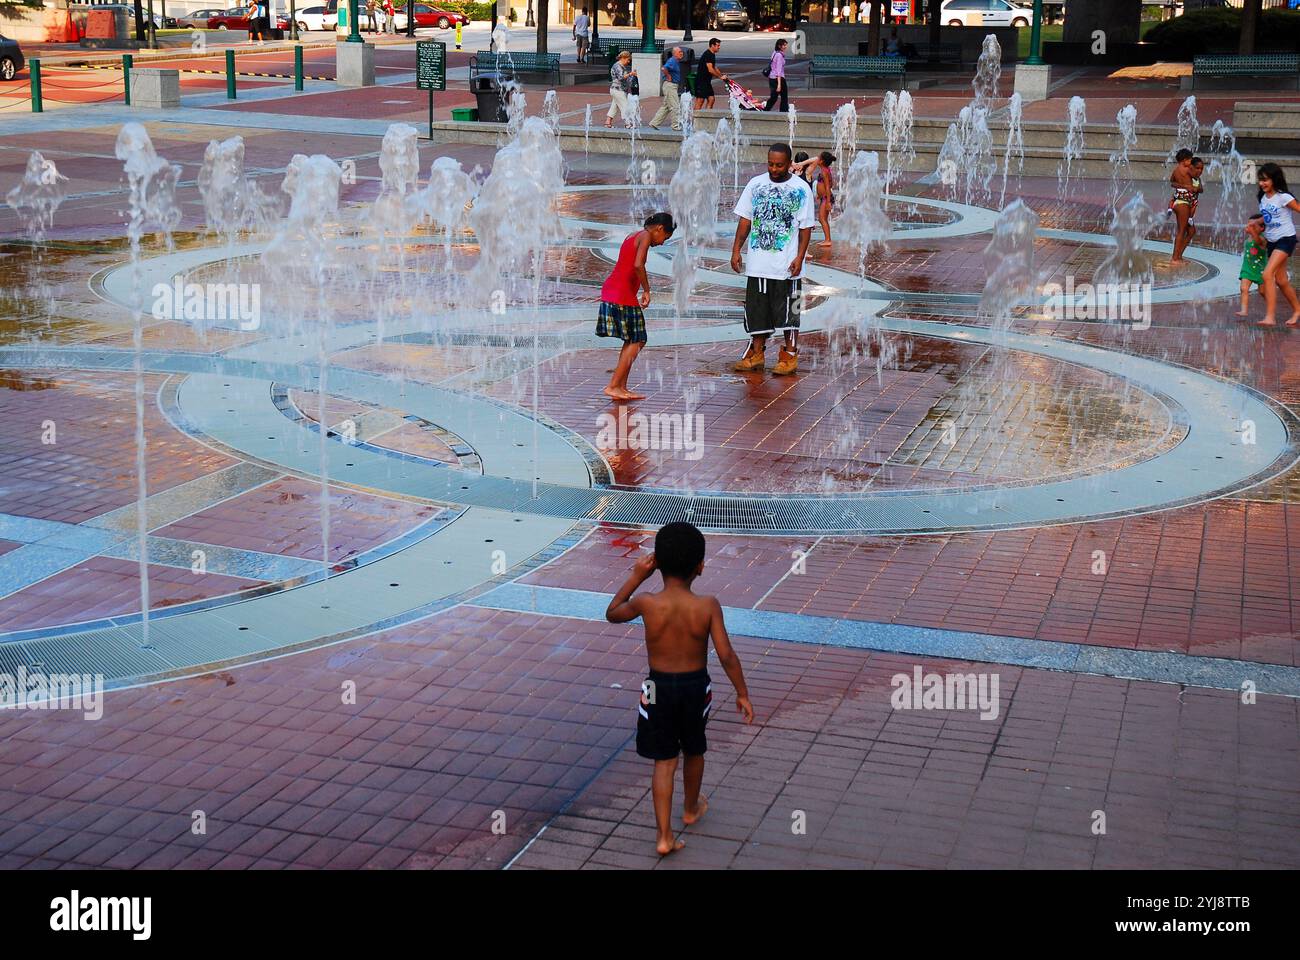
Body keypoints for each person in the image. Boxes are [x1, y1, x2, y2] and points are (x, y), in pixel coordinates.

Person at [606, 521, 754, 857]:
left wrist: (636, 576)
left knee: (664, 761)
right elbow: (727, 654)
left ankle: (663, 836)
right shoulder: (707, 606)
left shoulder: (646, 602)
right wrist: (742, 692)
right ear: (700, 566)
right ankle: (690, 807)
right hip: (693, 688)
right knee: (694, 749)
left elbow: (612, 613)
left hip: (657, 687)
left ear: (656, 562)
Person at [731, 143, 816, 377]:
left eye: (779, 165)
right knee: (756, 311)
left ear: (789, 164)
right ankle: (756, 354)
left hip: (787, 266)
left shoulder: (801, 189)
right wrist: (736, 250)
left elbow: (807, 227)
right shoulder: (755, 185)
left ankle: (789, 355)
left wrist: (800, 257)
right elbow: (745, 220)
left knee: (790, 312)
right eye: (770, 164)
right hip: (758, 264)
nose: (774, 168)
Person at [597, 212, 675, 400]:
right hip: (621, 293)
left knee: (632, 339)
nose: (663, 242)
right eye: (665, 237)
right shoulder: (646, 236)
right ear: (659, 229)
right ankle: (614, 385)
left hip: (616, 290)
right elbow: (638, 264)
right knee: (638, 339)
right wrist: (647, 290)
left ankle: (621, 387)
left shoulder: (634, 235)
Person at [1255, 162, 1300, 327]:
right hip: (1272, 241)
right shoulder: (1262, 197)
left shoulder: (1284, 197)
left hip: (1286, 239)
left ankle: (1270, 317)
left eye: (1265, 180)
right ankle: (1297, 310)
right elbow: (1267, 217)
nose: (1262, 183)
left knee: (1268, 275)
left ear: (1274, 179)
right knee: (1281, 280)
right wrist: (1256, 223)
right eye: (1260, 180)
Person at [793, 151, 835, 246]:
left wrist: (828, 201)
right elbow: (829, 184)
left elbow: (828, 186)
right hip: (819, 199)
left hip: (824, 198)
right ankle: (826, 239)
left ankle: (827, 240)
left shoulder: (793, 172)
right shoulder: (811, 171)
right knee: (820, 219)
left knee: (821, 219)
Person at [1168, 148, 1196, 265]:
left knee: (1191, 231)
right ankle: (1175, 258)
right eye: (1190, 159)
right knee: (1182, 231)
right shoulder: (1189, 170)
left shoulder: (1175, 171)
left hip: (1178, 201)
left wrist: (1182, 185)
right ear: (1184, 160)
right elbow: (1197, 181)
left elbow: (1172, 182)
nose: (1191, 161)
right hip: (1183, 203)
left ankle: (1179, 255)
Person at [1236, 215, 1267, 318]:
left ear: (1262, 228)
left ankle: (1271, 305)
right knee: (1243, 288)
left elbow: (1257, 241)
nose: (1250, 228)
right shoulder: (1248, 239)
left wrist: (1252, 231)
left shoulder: (1262, 239)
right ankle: (1244, 310)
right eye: (1249, 225)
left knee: (1262, 292)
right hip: (1247, 269)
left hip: (1261, 271)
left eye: (1253, 226)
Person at [649, 47, 685, 131]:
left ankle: (654, 123)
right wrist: (668, 76)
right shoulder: (672, 61)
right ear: (674, 53)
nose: (682, 53)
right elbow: (663, 68)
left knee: (666, 107)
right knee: (675, 106)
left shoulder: (675, 61)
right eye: (680, 52)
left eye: (682, 52)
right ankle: (675, 126)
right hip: (670, 86)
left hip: (671, 86)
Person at [693, 37, 727, 111]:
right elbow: (710, 69)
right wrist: (720, 77)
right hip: (701, 81)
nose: (719, 47)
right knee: (700, 100)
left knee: (711, 99)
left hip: (706, 82)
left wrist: (722, 75)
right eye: (717, 45)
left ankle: (706, 116)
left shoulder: (712, 54)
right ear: (712, 45)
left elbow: (714, 67)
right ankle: (696, 120)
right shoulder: (708, 54)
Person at [605, 50, 637, 128]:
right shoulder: (617, 66)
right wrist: (630, 74)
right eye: (628, 59)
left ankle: (607, 122)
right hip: (617, 90)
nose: (629, 61)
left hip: (618, 90)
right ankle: (628, 123)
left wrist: (632, 76)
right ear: (623, 58)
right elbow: (621, 77)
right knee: (625, 106)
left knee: (614, 106)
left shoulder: (621, 66)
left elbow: (626, 79)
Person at [764, 39, 788, 113]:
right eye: (784, 45)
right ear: (779, 46)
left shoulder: (774, 53)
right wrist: (779, 85)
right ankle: (783, 112)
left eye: (786, 45)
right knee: (784, 97)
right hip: (778, 79)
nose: (785, 47)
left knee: (774, 97)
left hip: (772, 78)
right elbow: (778, 71)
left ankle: (766, 109)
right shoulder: (779, 56)